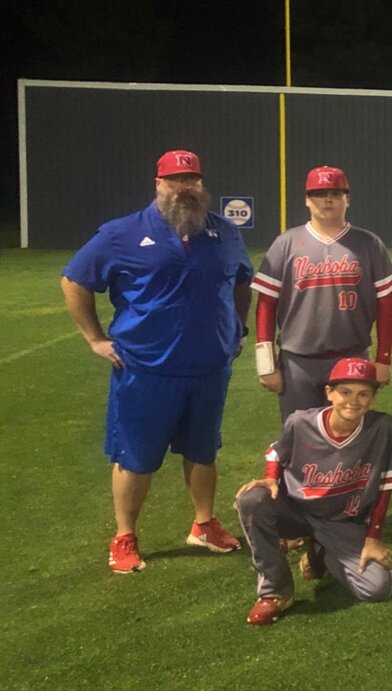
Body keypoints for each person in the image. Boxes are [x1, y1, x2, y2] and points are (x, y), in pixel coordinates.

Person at [61, 149, 253, 574]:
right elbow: (75, 279)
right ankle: (125, 536)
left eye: (193, 180)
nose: (186, 188)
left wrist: (238, 328)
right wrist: (94, 338)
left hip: (208, 367)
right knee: (135, 457)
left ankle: (204, 524)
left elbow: (242, 281)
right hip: (145, 369)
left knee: (203, 452)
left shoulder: (223, 231)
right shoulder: (121, 233)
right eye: (176, 180)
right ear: (158, 184)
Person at [233, 358, 392, 625]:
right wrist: (270, 479)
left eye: (363, 394)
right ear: (329, 393)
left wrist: (373, 538)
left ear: (373, 398)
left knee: (376, 589)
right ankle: (275, 591)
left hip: (342, 520)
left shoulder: (382, 427)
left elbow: (385, 486)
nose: (353, 401)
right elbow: (276, 453)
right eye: (345, 392)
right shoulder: (301, 422)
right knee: (252, 501)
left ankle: (321, 552)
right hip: (297, 511)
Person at [251, 166, 392, 421]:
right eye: (319, 194)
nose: (327, 200)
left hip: (352, 356)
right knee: (299, 439)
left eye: (335, 193)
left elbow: (386, 304)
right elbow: (266, 304)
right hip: (297, 362)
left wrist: (383, 359)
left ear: (347, 199)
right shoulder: (287, 243)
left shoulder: (368, 244)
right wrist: (266, 364)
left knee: (350, 437)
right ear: (307, 200)